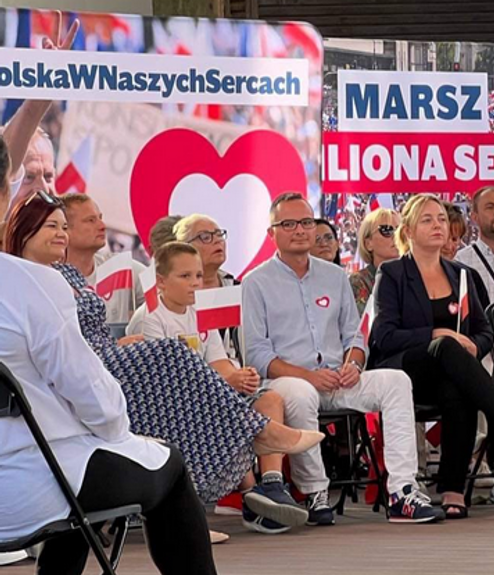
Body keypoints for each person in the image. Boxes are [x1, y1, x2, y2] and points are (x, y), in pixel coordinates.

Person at [3, 193, 323, 509]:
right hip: (76, 366)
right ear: (24, 230)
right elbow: (54, 344)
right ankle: (255, 433)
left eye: (63, 227)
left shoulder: (67, 274)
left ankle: (202, 493)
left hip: (102, 357)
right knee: (170, 353)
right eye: (50, 227)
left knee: (173, 380)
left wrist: (115, 346)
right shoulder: (19, 279)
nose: (61, 234)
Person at [0, 252, 218, 575]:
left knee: (84, 476)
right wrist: (118, 433)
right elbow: (95, 399)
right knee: (167, 465)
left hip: (42, 477)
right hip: (27, 489)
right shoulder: (27, 283)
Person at [241, 192, 443, 526]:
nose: (300, 230)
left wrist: (355, 364)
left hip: (339, 377)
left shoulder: (335, 277)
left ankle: (403, 491)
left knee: (396, 381)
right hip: (288, 382)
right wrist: (308, 375)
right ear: (271, 233)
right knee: (302, 393)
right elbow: (258, 354)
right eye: (288, 224)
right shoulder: (256, 282)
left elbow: (355, 335)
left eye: (306, 222)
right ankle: (315, 491)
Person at [370, 194, 494, 519]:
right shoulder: (393, 274)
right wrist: (437, 334)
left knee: (459, 387)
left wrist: (474, 346)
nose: (438, 225)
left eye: (441, 218)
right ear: (409, 230)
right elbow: (382, 337)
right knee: (446, 346)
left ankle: (453, 488)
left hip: (451, 373)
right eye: (427, 220)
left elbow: (485, 331)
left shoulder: (463, 275)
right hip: (404, 372)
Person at [140, 242, 310, 533]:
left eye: (197, 275)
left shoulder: (197, 313)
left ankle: (271, 486)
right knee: (225, 412)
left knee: (270, 399)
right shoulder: (149, 319)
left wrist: (239, 377)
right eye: (185, 277)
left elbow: (218, 361)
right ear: (161, 281)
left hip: (209, 396)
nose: (195, 283)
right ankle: (253, 495)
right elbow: (166, 381)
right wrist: (223, 381)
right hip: (173, 409)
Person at [60, 193, 146, 325]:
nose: (102, 225)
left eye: (100, 218)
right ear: (65, 229)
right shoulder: (51, 278)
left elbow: (166, 298)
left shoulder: (120, 267)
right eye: (90, 220)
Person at [174, 214, 244, 362]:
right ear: (185, 247)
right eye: (205, 237)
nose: (218, 240)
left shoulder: (237, 288)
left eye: (219, 234)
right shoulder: (175, 296)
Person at [349, 207, 401, 314]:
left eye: (400, 230)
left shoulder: (415, 275)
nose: (396, 236)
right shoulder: (358, 281)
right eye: (387, 230)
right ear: (368, 244)